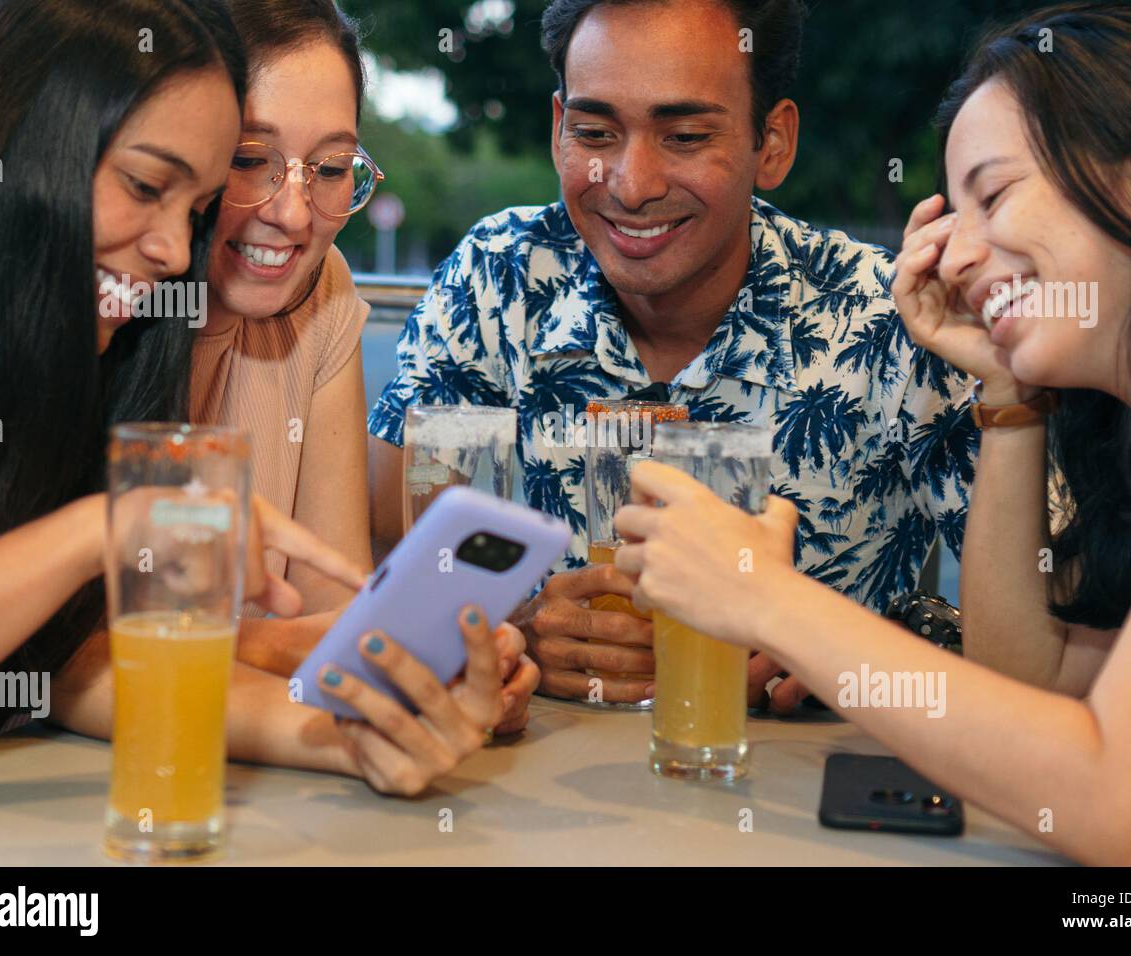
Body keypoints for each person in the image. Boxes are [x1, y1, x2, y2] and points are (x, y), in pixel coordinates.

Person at [613, 3, 1131, 864]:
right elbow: (1034, 684)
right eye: (956, 216)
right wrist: (1003, 386)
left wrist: (762, 594)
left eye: (995, 194)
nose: (952, 258)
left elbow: (1119, 810)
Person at [0, 0, 513, 796]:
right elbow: (56, 650)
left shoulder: (109, 321)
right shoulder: (99, 321)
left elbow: (70, 644)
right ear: (30, 137)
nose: (176, 246)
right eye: (248, 163)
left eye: (196, 204)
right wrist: (109, 529)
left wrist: (382, 679)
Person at [366, 0, 977, 707]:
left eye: (685, 136)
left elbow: (1043, 650)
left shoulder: (889, 319)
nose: (633, 184)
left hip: (790, 797)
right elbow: (401, 572)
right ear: (558, 129)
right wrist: (512, 637)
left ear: (772, 143)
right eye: (595, 133)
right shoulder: (496, 282)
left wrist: (839, 650)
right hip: (525, 795)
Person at [193, 0, 539, 734]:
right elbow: (47, 648)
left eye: (328, 169)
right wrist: (276, 650)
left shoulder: (324, 289)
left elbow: (335, 606)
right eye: (251, 159)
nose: (293, 213)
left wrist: (435, 669)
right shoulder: (100, 302)